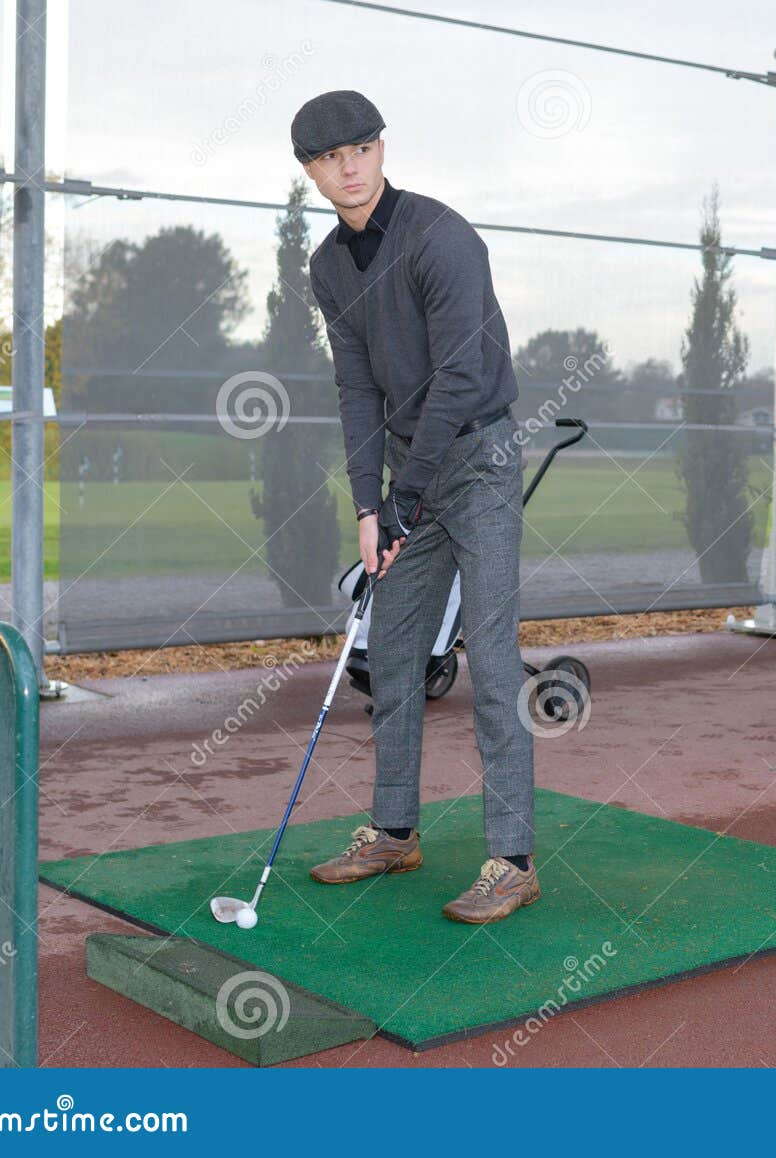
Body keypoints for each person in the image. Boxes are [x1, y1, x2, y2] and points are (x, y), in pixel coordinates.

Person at [291, 90, 539, 922]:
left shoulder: (442, 238)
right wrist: (370, 506)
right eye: (330, 159)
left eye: (361, 149)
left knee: (493, 660)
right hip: (409, 473)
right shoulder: (328, 268)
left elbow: (461, 378)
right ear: (310, 172)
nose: (349, 169)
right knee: (392, 652)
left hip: (480, 460)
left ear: (382, 148)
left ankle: (512, 861)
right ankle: (395, 832)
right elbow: (357, 389)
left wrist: (406, 496)